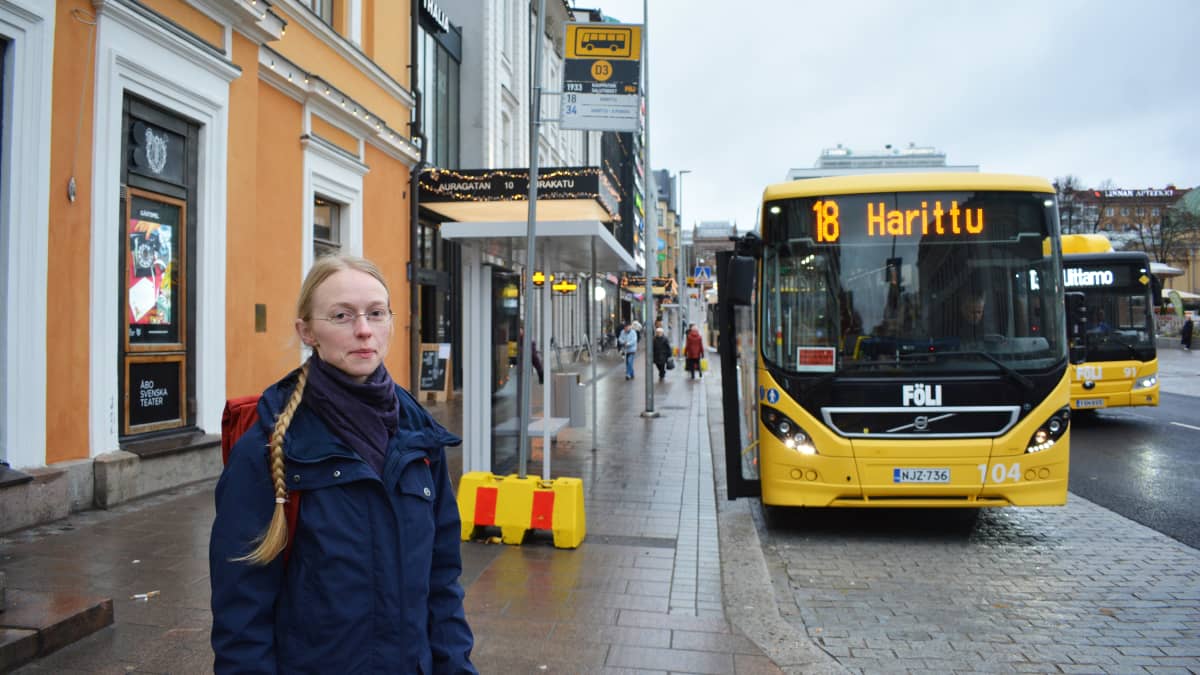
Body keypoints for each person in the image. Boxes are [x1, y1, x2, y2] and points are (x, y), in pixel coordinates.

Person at [209, 255, 476, 674]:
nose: (364, 329)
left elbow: (442, 583)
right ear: (307, 331)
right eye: (341, 315)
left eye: (376, 313)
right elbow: (241, 616)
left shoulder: (420, 437)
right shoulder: (268, 446)